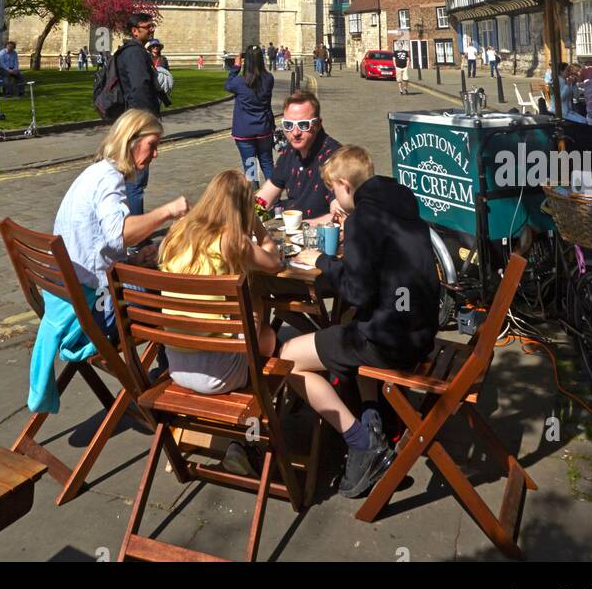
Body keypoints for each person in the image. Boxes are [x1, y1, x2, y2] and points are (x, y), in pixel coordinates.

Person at [280, 145, 440, 499]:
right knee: (348, 324)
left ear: (344, 185)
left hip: (389, 342)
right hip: (420, 328)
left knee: (286, 358)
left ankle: (362, 441)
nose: (332, 199)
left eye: (333, 191)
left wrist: (323, 260)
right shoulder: (399, 196)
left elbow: (356, 292)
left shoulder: (361, 221)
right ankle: (374, 416)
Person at [29, 112, 190, 413]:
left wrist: (131, 258)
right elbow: (118, 234)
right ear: (131, 141)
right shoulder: (109, 179)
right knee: (172, 296)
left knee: (150, 276)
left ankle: (164, 377)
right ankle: (173, 384)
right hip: (91, 318)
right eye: (152, 145)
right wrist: (168, 211)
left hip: (68, 304)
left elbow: (96, 244)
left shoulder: (94, 173)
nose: (155, 154)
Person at [159, 169, 281, 401]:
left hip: (176, 366)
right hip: (218, 374)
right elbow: (274, 263)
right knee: (265, 328)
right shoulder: (232, 240)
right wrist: (257, 226)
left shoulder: (178, 230)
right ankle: (262, 407)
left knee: (247, 313)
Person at [256, 90, 339, 223]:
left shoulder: (335, 158)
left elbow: (339, 216)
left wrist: (301, 227)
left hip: (322, 238)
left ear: (317, 124)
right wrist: (245, 217)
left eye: (303, 125)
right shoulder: (289, 152)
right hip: (294, 235)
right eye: (288, 125)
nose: (295, 133)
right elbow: (264, 198)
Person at [114, 12, 167, 214]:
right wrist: (148, 123)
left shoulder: (132, 51)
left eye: (152, 26)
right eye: (148, 27)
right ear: (135, 31)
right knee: (136, 181)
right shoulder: (135, 54)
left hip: (133, 120)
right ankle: (136, 238)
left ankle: (132, 229)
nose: (152, 29)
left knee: (133, 179)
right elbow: (139, 89)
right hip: (139, 123)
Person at [225, 45, 276, 184]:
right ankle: (276, 202)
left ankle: (255, 203)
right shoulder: (269, 79)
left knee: (250, 168)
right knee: (267, 164)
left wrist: (236, 67)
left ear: (246, 61)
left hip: (244, 131)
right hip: (264, 128)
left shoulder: (239, 82)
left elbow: (228, 85)